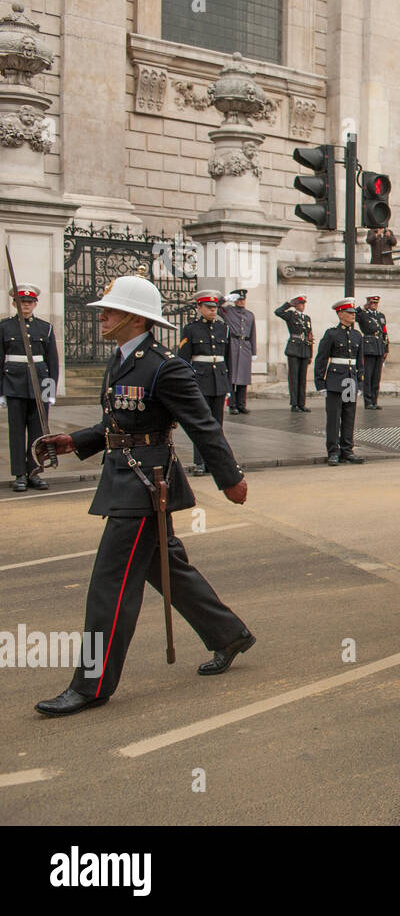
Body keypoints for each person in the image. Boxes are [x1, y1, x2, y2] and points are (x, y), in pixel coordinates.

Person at [32, 271, 252, 716]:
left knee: (109, 588)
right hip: (127, 478)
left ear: (135, 318)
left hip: (145, 487)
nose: (102, 316)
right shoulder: (120, 359)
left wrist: (229, 478)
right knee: (168, 568)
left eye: (110, 310)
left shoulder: (165, 365)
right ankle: (228, 634)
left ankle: (90, 686)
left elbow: (202, 425)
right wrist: (76, 441)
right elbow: (118, 424)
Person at [2, 282, 58, 492]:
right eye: (21, 302)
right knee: (16, 432)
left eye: (29, 302)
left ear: (35, 304)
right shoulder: (5, 327)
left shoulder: (45, 328)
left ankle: (35, 472)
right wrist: (1, 392)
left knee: (38, 432)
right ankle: (19, 475)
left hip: (41, 384)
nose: (25, 305)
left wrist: (50, 390)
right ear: (15, 303)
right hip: (14, 384)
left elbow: (52, 361)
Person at [177, 289, 232, 475]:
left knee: (217, 425)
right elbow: (184, 359)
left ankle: (215, 462)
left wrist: (229, 383)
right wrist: (187, 384)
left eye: (215, 307)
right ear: (199, 307)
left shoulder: (222, 328)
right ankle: (199, 462)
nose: (213, 311)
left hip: (220, 380)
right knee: (201, 423)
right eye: (208, 307)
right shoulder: (191, 329)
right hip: (200, 380)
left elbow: (228, 357)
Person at [314, 298, 367, 466]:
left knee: (349, 417)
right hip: (335, 380)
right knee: (334, 418)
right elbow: (321, 359)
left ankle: (347, 450)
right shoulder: (331, 334)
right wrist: (320, 383)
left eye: (353, 313)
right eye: (349, 313)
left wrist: (360, 383)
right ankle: (333, 451)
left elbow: (360, 362)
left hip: (351, 379)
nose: (353, 315)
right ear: (340, 314)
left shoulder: (357, 335)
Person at [274, 295, 313, 412]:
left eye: (304, 304)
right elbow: (278, 312)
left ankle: (302, 403)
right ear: (296, 305)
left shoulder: (307, 318)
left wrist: (310, 353)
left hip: (305, 349)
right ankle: (294, 403)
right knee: (294, 377)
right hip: (294, 349)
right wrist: (288, 304)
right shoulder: (291, 315)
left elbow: (310, 336)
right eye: (300, 304)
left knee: (303, 378)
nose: (303, 306)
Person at [220, 289, 255, 414]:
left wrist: (254, 351)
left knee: (244, 378)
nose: (241, 302)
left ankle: (241, 404)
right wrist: (225, 299)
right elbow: (216, 306)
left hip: (245, 346)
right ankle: (232, 405)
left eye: (243, 299)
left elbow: (252, 334)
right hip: (233, 345)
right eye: (239, 299)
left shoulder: (250, 314)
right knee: (232, 377)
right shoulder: (228, 311)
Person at [355, 295, 389, 410]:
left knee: (376, 376)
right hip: (369, 347)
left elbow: (384, 332)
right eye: (372, 303)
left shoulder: (381, 316)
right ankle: (368, 401)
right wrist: (362, 307)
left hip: (379, 347)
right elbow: (353, 314)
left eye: (376, 303)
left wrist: (386, 349)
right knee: (368, 376)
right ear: (368, 303)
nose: (374, 305)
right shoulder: (363, 314)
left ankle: (374, 400)